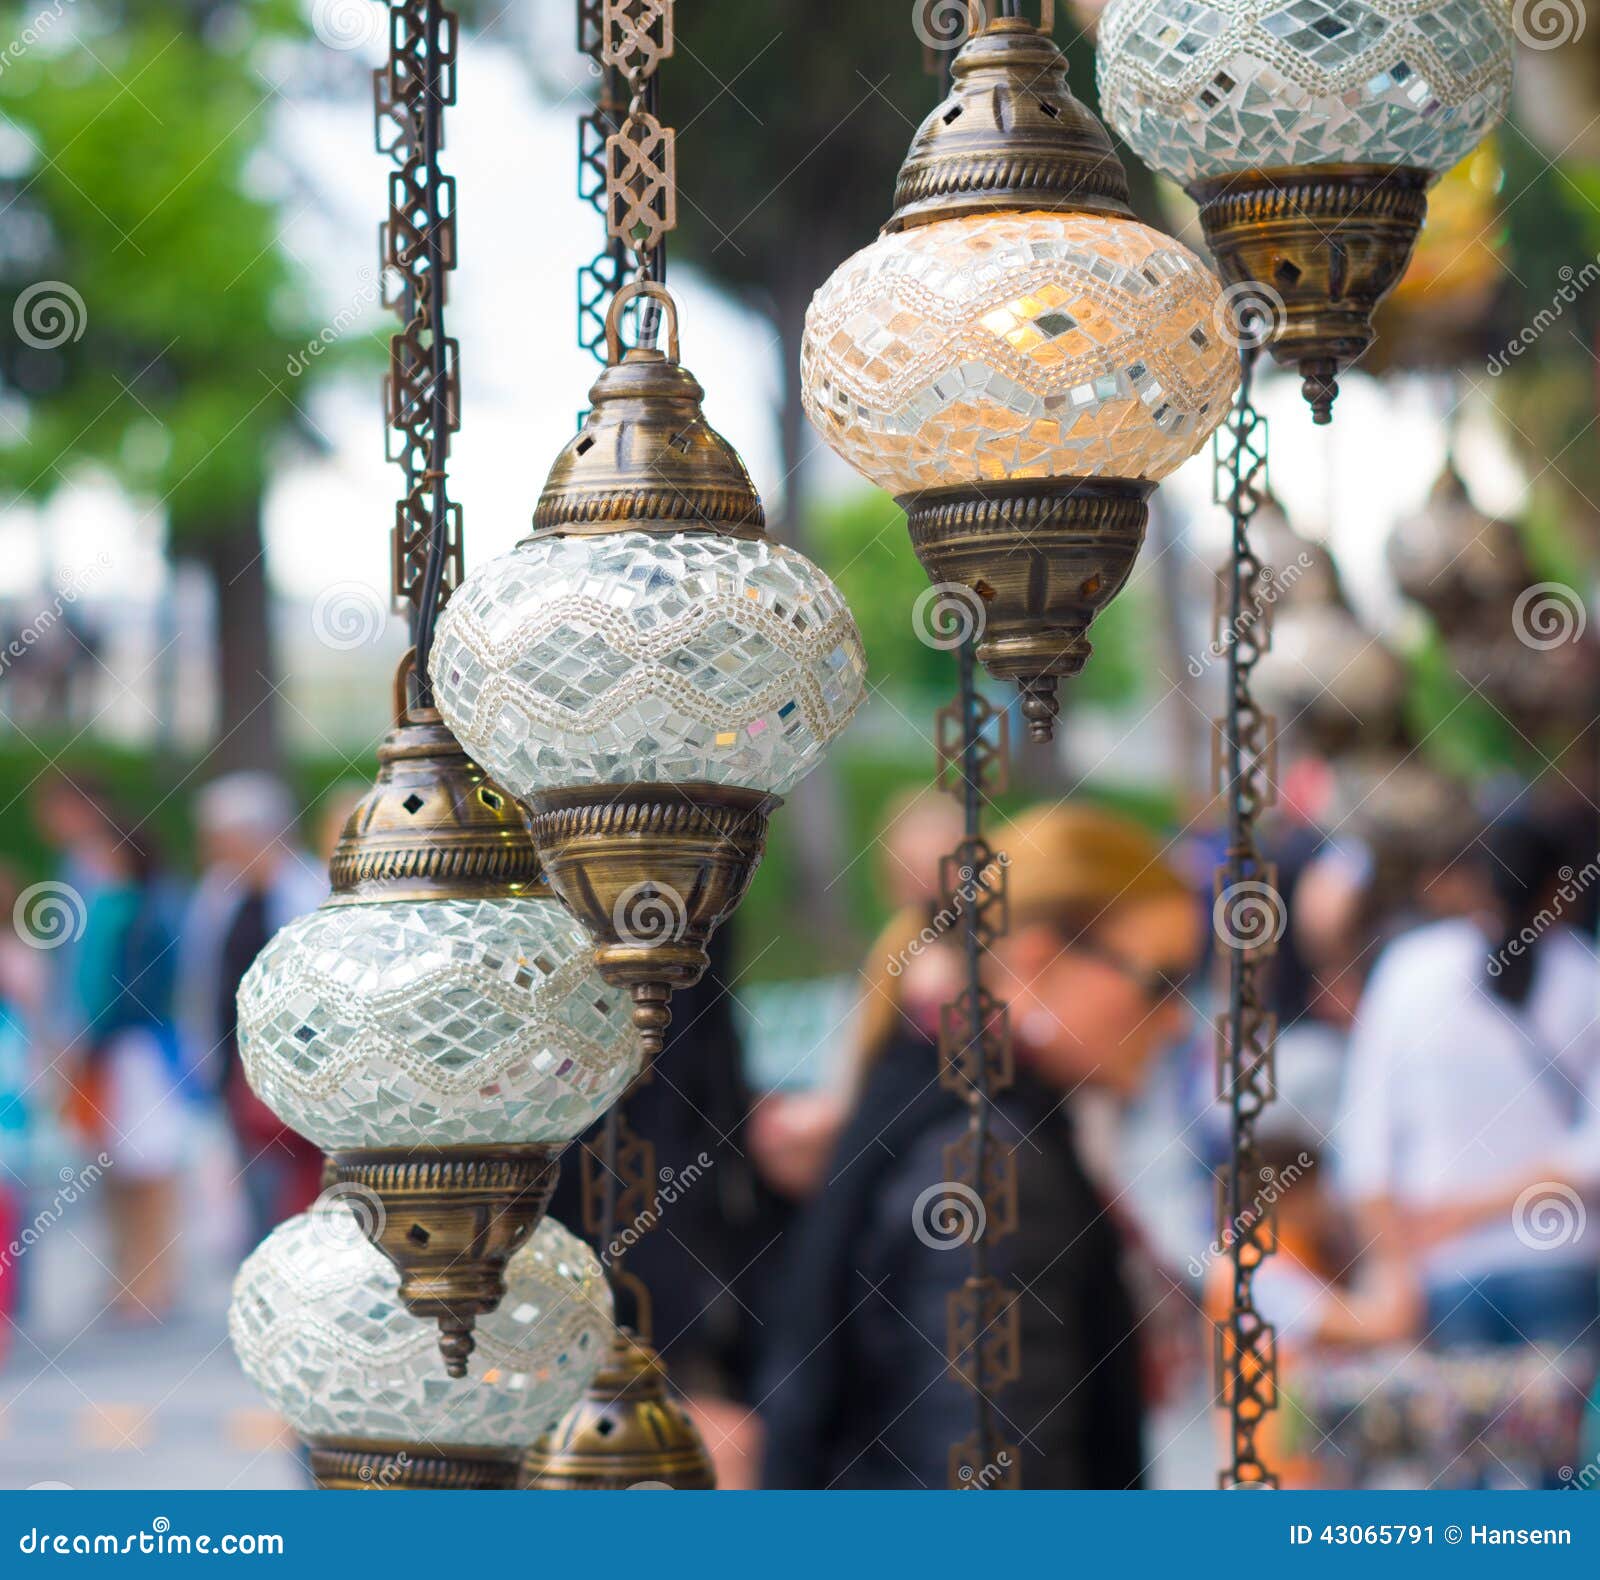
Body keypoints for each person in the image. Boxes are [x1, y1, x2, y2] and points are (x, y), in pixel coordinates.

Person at [759, 802, 1202, 1489]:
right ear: (1040, 961)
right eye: (1161, 982)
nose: (1176, 1021)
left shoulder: (942, 1100)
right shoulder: (995, 1166)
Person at [1333, 809, 1600, 1352]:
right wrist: (1485, 1209)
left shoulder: (1409, 969)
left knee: (1462, 1411)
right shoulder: (1585, 975)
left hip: (1443, 1271)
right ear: (1560, 888)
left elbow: (1364, 1144)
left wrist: (1396, 1262)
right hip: (1564, 1262)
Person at [175, 773, 324, 1247]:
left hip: (294, 1071)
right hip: (233, 1068)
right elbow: (199, 978)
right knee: (252, 1185)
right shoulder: (218, 893)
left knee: (296, 1186)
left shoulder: (311, 889)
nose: (210, 849)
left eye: (218, 838)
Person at [55, 804, 188, 1319]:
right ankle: (130, 1274)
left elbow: (128, 993)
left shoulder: (138, 913)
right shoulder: (114, 909)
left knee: (145, 1168)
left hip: (132, 1050)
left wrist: (88, 1041)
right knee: (113, 1168)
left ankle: (152, 1278)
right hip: (113, 1050)